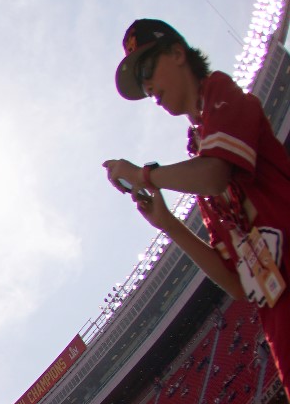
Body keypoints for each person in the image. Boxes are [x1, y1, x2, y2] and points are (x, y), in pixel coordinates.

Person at [104, 19, 290, 380]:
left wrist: (144, 175)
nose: (146, 86)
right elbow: (236, 284)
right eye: (141, 83)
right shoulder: (199, 158)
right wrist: (169, 225)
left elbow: (215, 174)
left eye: (146, 68)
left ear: (177, 53)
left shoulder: (220, 91)